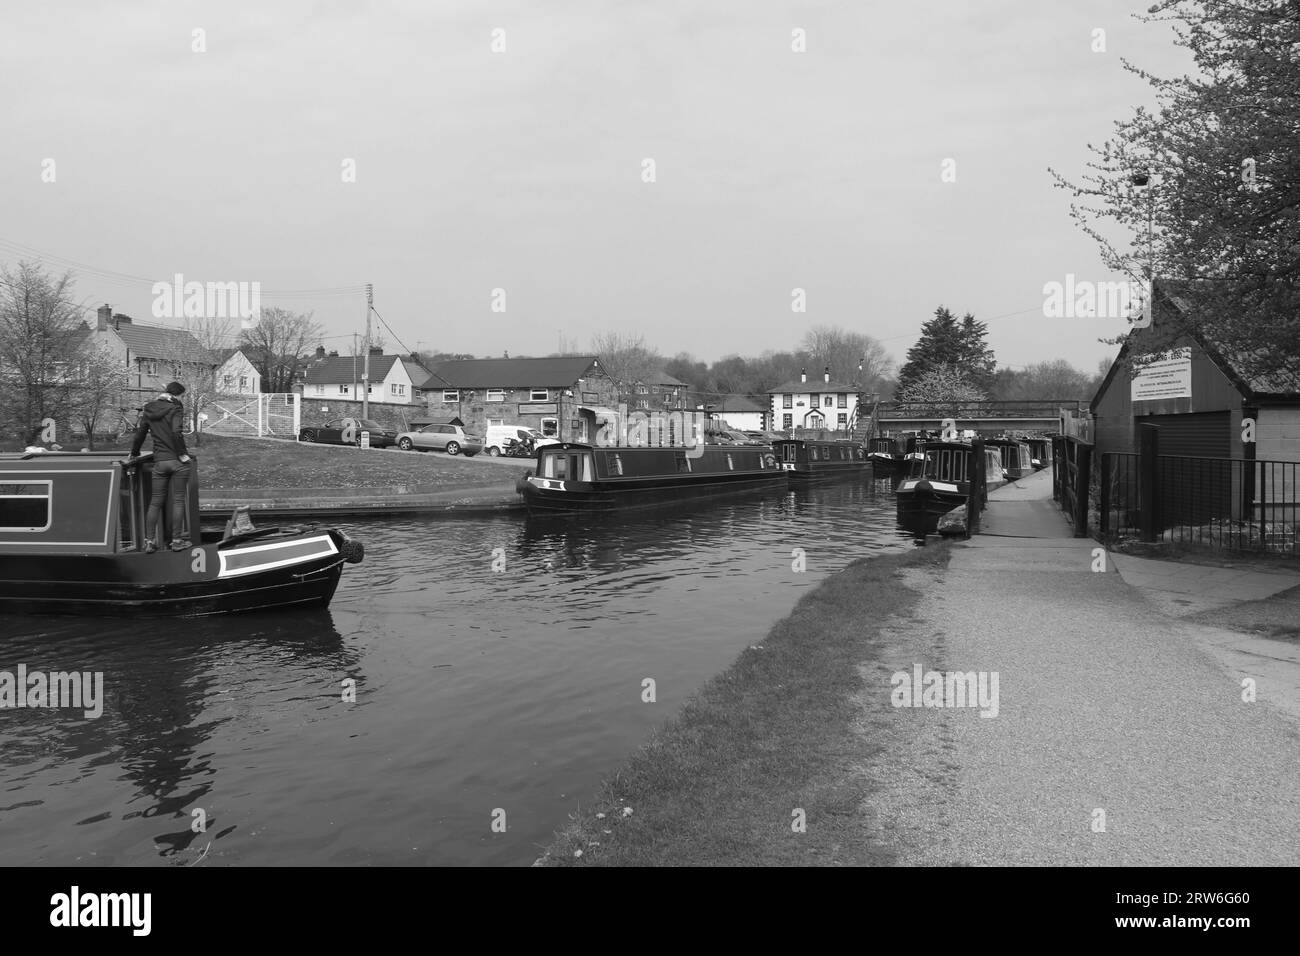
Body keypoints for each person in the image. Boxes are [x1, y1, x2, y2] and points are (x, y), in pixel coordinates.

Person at [129, 381, 193, 553]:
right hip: (177, 462)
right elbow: (176, 432)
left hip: (160, 462)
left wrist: (134, 453)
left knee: (155, 501)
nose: (182, 399)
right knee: (178, 501)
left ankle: (149, 542)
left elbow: (140, 434)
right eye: (182, 396)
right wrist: (182, 453)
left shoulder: (149, 409)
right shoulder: (176, 408)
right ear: (177, 395)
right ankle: (177, 541)